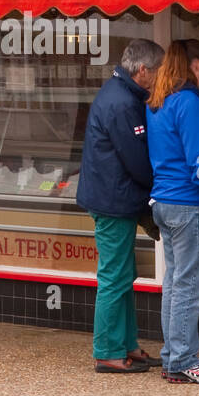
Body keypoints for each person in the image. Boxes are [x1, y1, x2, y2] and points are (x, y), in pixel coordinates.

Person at [77, 38, 166, 374]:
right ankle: (107, 352)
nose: (159, 79)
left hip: (115, 197)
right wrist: (162, 185)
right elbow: (137, 161)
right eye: (157, 72)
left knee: (124, 275)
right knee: (115, 277)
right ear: (142, 71)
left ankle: (127, 344)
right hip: (113, 201)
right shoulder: (122, 103)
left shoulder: (121, 93)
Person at [146, 39, 199, 384]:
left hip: (166, 201)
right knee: (191, 286)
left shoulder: (158, 102)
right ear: (193, 64)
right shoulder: (189, 104)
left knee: (174, 283)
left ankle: (172, 356)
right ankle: (182, 359)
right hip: (190, 204)